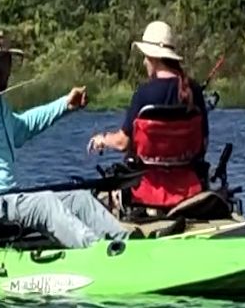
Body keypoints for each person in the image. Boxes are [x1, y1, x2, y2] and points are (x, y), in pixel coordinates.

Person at [0, 29, 135, 248]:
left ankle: (129, 246)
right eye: (7, 63)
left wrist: (65, 105)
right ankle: (99, 252)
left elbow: (24, 126)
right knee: (45, 203)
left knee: (80, 198)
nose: (10, 70)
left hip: (9, 202)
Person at [87, 20, 210, 209]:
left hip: (146, 189)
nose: (144, 62)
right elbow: (203, 144)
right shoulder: (193, 90)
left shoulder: (144, 94)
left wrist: (102, 139)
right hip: (190, 189)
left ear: (154, 58)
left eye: (145, 57)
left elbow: (122, 143)